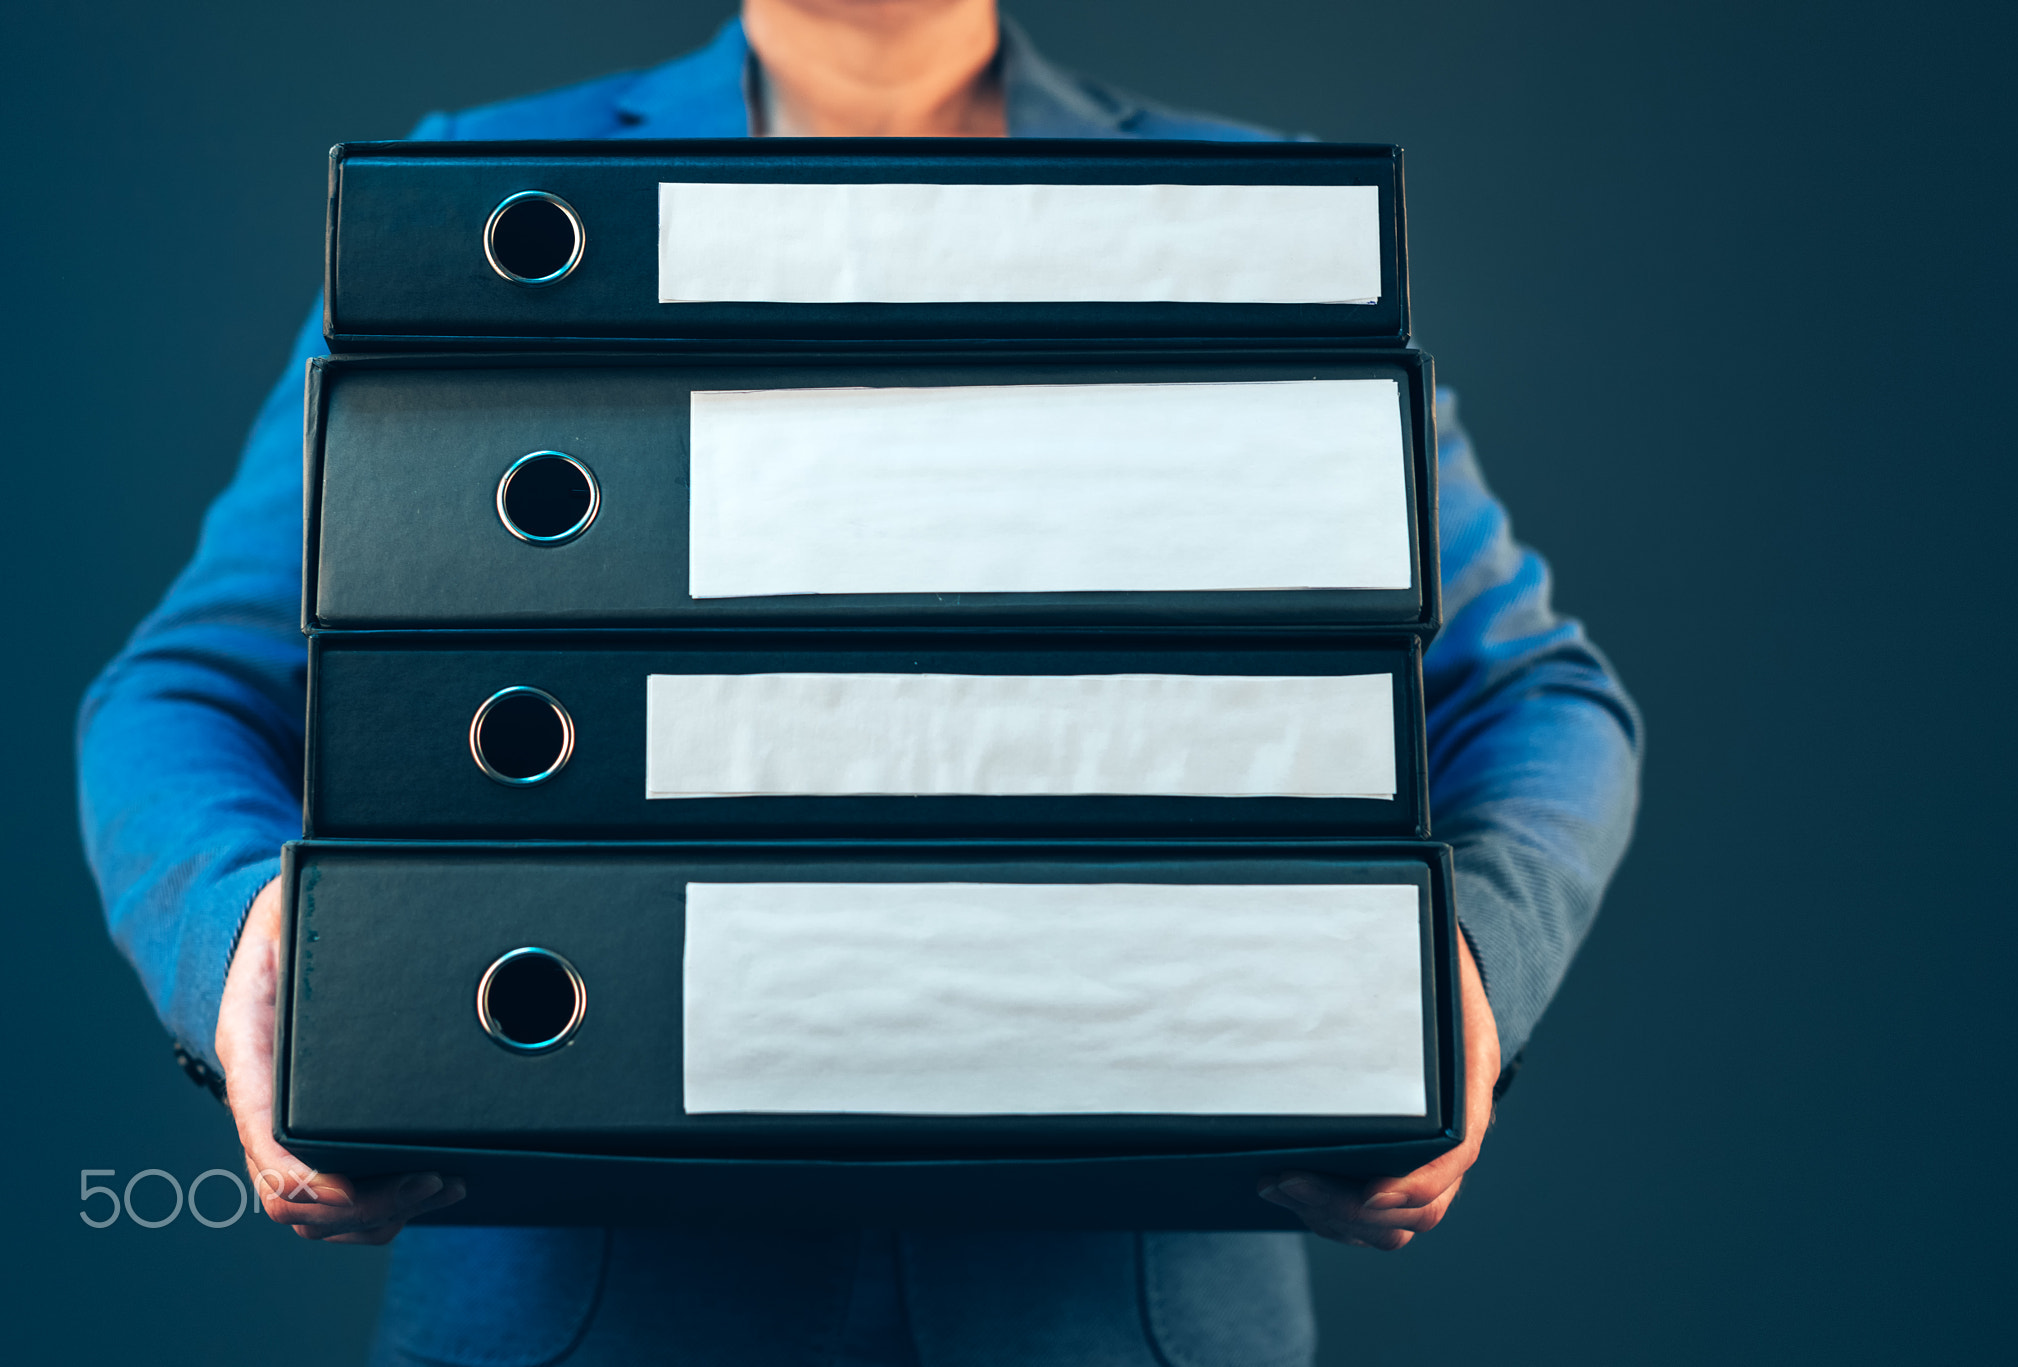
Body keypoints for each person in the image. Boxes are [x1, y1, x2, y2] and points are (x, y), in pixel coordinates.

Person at [76, 1, 1642, 1363]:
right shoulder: (475, 181)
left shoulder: (1242, 210)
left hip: (1117, 1326)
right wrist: (249, 944)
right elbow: (186, 688)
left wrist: (1464, 976)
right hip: (591, 1323)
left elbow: (1537, 695)